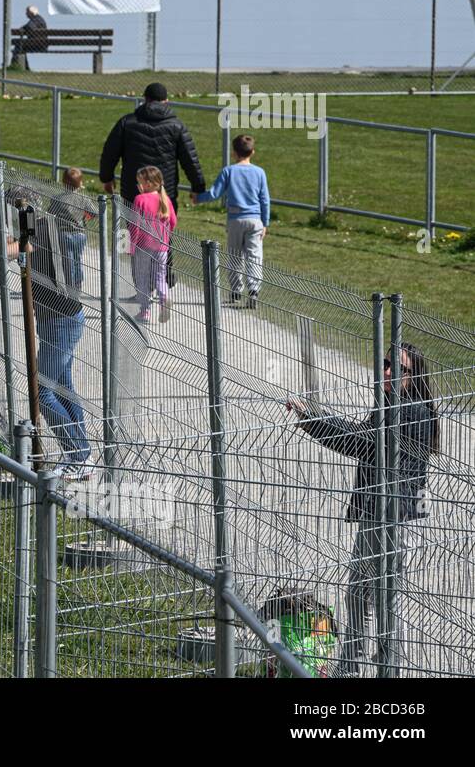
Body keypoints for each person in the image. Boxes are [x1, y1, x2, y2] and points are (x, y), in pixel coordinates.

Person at [286, 342, 437, 677]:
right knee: (359, 592)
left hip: (392, 518)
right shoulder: (391, 403)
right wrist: (314, 419)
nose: (386, 371)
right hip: (379, 514)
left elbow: (359, 440)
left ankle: (384, 671)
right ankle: (352, 666)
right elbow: (362, 438)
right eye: (384, 363)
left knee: (382, 600)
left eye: (397, 368)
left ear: (413, 377)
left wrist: (313, 420)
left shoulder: (408, 412)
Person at [0, 208, 94, 481]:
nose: (11, 216)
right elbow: (16, 243)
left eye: (13, 209)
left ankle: (78, 456)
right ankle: (82, 455)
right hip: (57, 318)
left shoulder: (42, 229)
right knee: (63, 388)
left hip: (61, 320)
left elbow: (21, 247)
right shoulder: (42, 225)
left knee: (42, 393)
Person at [99, 82, 206, 289]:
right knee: (164, 233)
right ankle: (164, 277)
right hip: (164, 193)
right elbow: (190, 159)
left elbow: (109, 153)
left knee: (135, 235)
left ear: (145, 99)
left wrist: (107, 178)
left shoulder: (127, 123)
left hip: (134, 191)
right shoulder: (176, 125)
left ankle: (142, 282)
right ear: (166, 101)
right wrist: (197, 187)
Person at [193, 134, 270, 308]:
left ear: (234, 153)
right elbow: (264, 199)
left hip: (236, 219)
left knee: (235, 256)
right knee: (254, 256)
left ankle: (236, 290)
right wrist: (265, 222)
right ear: (253, 152)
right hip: (255, 220)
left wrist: (198, 198)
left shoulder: (229, 171)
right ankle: (254, 290)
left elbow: (215, 193)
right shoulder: (259, 172)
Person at [130, 166, 177, 324]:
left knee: (142, 278)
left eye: (140, 182)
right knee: (160, 277)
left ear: (148, 184)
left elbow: (134, 225)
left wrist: (131, 245)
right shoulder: (165, 199)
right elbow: (173, 222)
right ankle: (164, 300)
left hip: (143, 245)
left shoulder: (139, 199)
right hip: (162, 246)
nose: (138, 185)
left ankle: (145, 311)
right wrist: (164, 235)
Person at [47, 167, 96, 290]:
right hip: (80, 234)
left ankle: (70, 284)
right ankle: (78, 283)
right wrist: (85, 217)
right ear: (80, 183)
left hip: (64, 234)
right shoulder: (84, 198)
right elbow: (95, 212)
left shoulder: (57, 199)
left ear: (63, 182)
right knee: (77, 259)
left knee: (68, 260)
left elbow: (50, 214)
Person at [10, 5, 48, 69]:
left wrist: (23, 29)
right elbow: (27, 27)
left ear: (31, 13)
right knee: (19, 45)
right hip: (40, 44)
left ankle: (18, 66)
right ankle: (24, 67)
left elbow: (29, 26)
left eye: (27, 12)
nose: (26, 14)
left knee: (19, 45)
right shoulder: (38, 19)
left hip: (37, 45)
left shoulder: (36, 20)